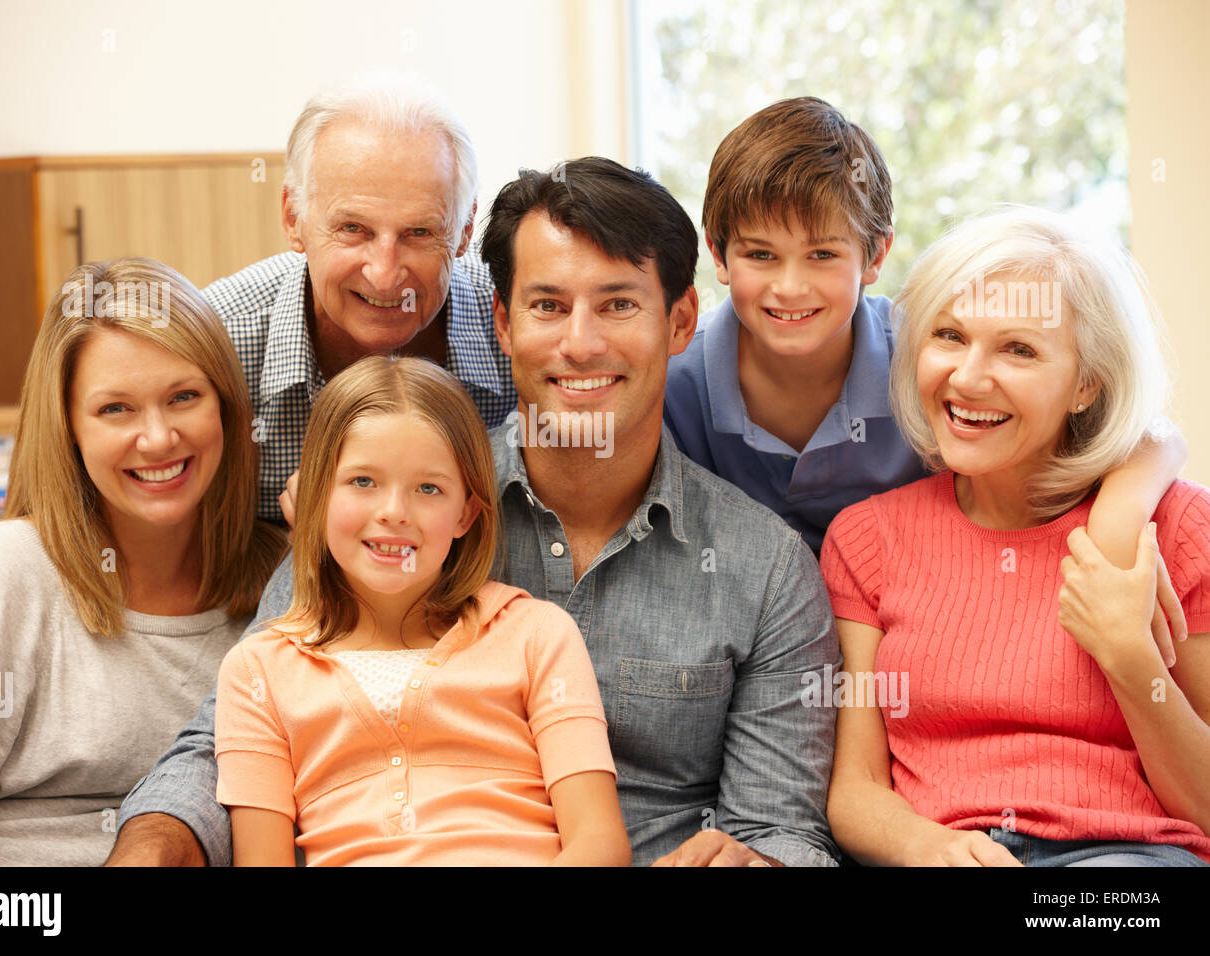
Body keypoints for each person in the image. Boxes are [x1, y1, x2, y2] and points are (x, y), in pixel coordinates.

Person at [108, 158, 841, 868]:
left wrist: (758, 861)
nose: (580, 344)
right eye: (548, 306)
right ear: (502, 323)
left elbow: (782, 828)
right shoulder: (394, 514)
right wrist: (153, 845)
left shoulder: (766, 567)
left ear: (681, 321)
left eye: (619, 304)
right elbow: (230, 734)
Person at [821, 206, 1210, 866]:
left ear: (1087, 384)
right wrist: (931, 847)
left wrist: (1126, 651)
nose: (969, 378)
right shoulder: (866, 540)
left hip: (1124, 867)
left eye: (1019, 349)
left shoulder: (1175, 530)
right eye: (949, 335)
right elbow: (855, 789)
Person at [664, 97, 1186, 573]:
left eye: (823, 254)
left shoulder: (935, 354)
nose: (791, 287)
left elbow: (1149, 433)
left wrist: (1120, 519)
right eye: (761, 255)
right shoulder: (676, 379)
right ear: (718, 255)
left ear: (876, 255)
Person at [0, 258, 285, 866]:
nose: (159, 438)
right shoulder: (4, 572)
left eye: (183, 397)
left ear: (226, 407)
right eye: (116, 409)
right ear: (69, 429)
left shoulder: (287, 582)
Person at [215, 355, 627, 865]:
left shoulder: (538, 635)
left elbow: (600, 844)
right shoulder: (257, 672)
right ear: (315, 496)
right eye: (362, 481)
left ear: (465, 514)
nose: (393, 511)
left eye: (428, 488)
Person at [206, 81, 514, 524]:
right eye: (353, 229)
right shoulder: (219, 342)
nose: (384, 274)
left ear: (465, 230)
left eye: (420, 233)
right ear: (294, 218)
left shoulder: (525, 330)